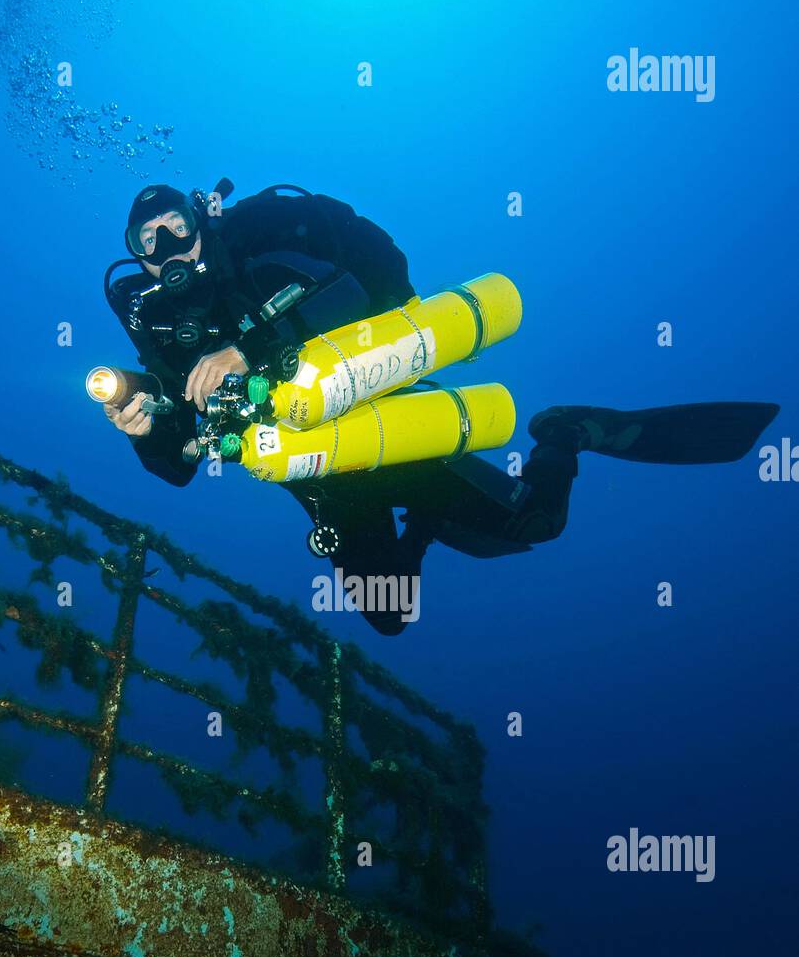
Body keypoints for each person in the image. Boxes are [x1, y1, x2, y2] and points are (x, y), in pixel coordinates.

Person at [103, 180, 779, 634]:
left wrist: (253, 350)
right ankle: (424, 524)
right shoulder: (158, 325)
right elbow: (179, 465)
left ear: (202, 218)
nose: (169, 249)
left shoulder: (266, 244)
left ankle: (566, 432)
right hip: (314, 469)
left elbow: (387, 286)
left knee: (533, 525)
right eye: (149, 242)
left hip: (386, 424)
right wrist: (141, 432)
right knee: (392, 617)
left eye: (177, 227)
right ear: (139, 258)